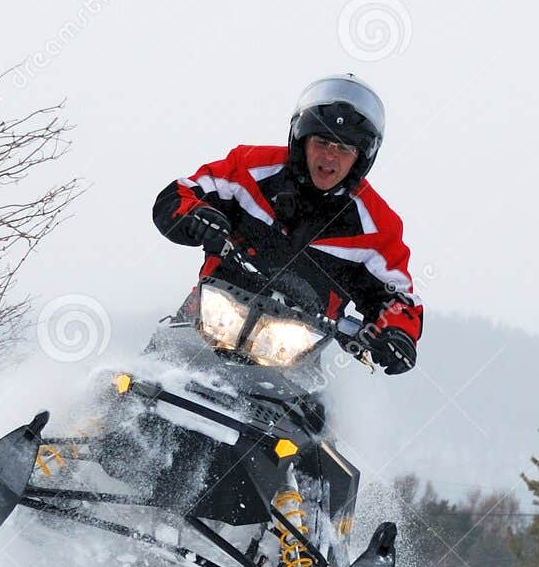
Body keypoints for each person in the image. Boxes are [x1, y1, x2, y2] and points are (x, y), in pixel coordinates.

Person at [151, 74, 422, 374]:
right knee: (138, 377)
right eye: (322, 142)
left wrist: (397, 333)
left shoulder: (377, 226)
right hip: (207, 317)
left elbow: (398, 297)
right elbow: (182, 192)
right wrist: (195, 215)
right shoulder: (249, 168)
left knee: (316, 403)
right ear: (301, 140)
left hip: (294, 353)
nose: (330, 157)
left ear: (361, 157)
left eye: (344, 148)